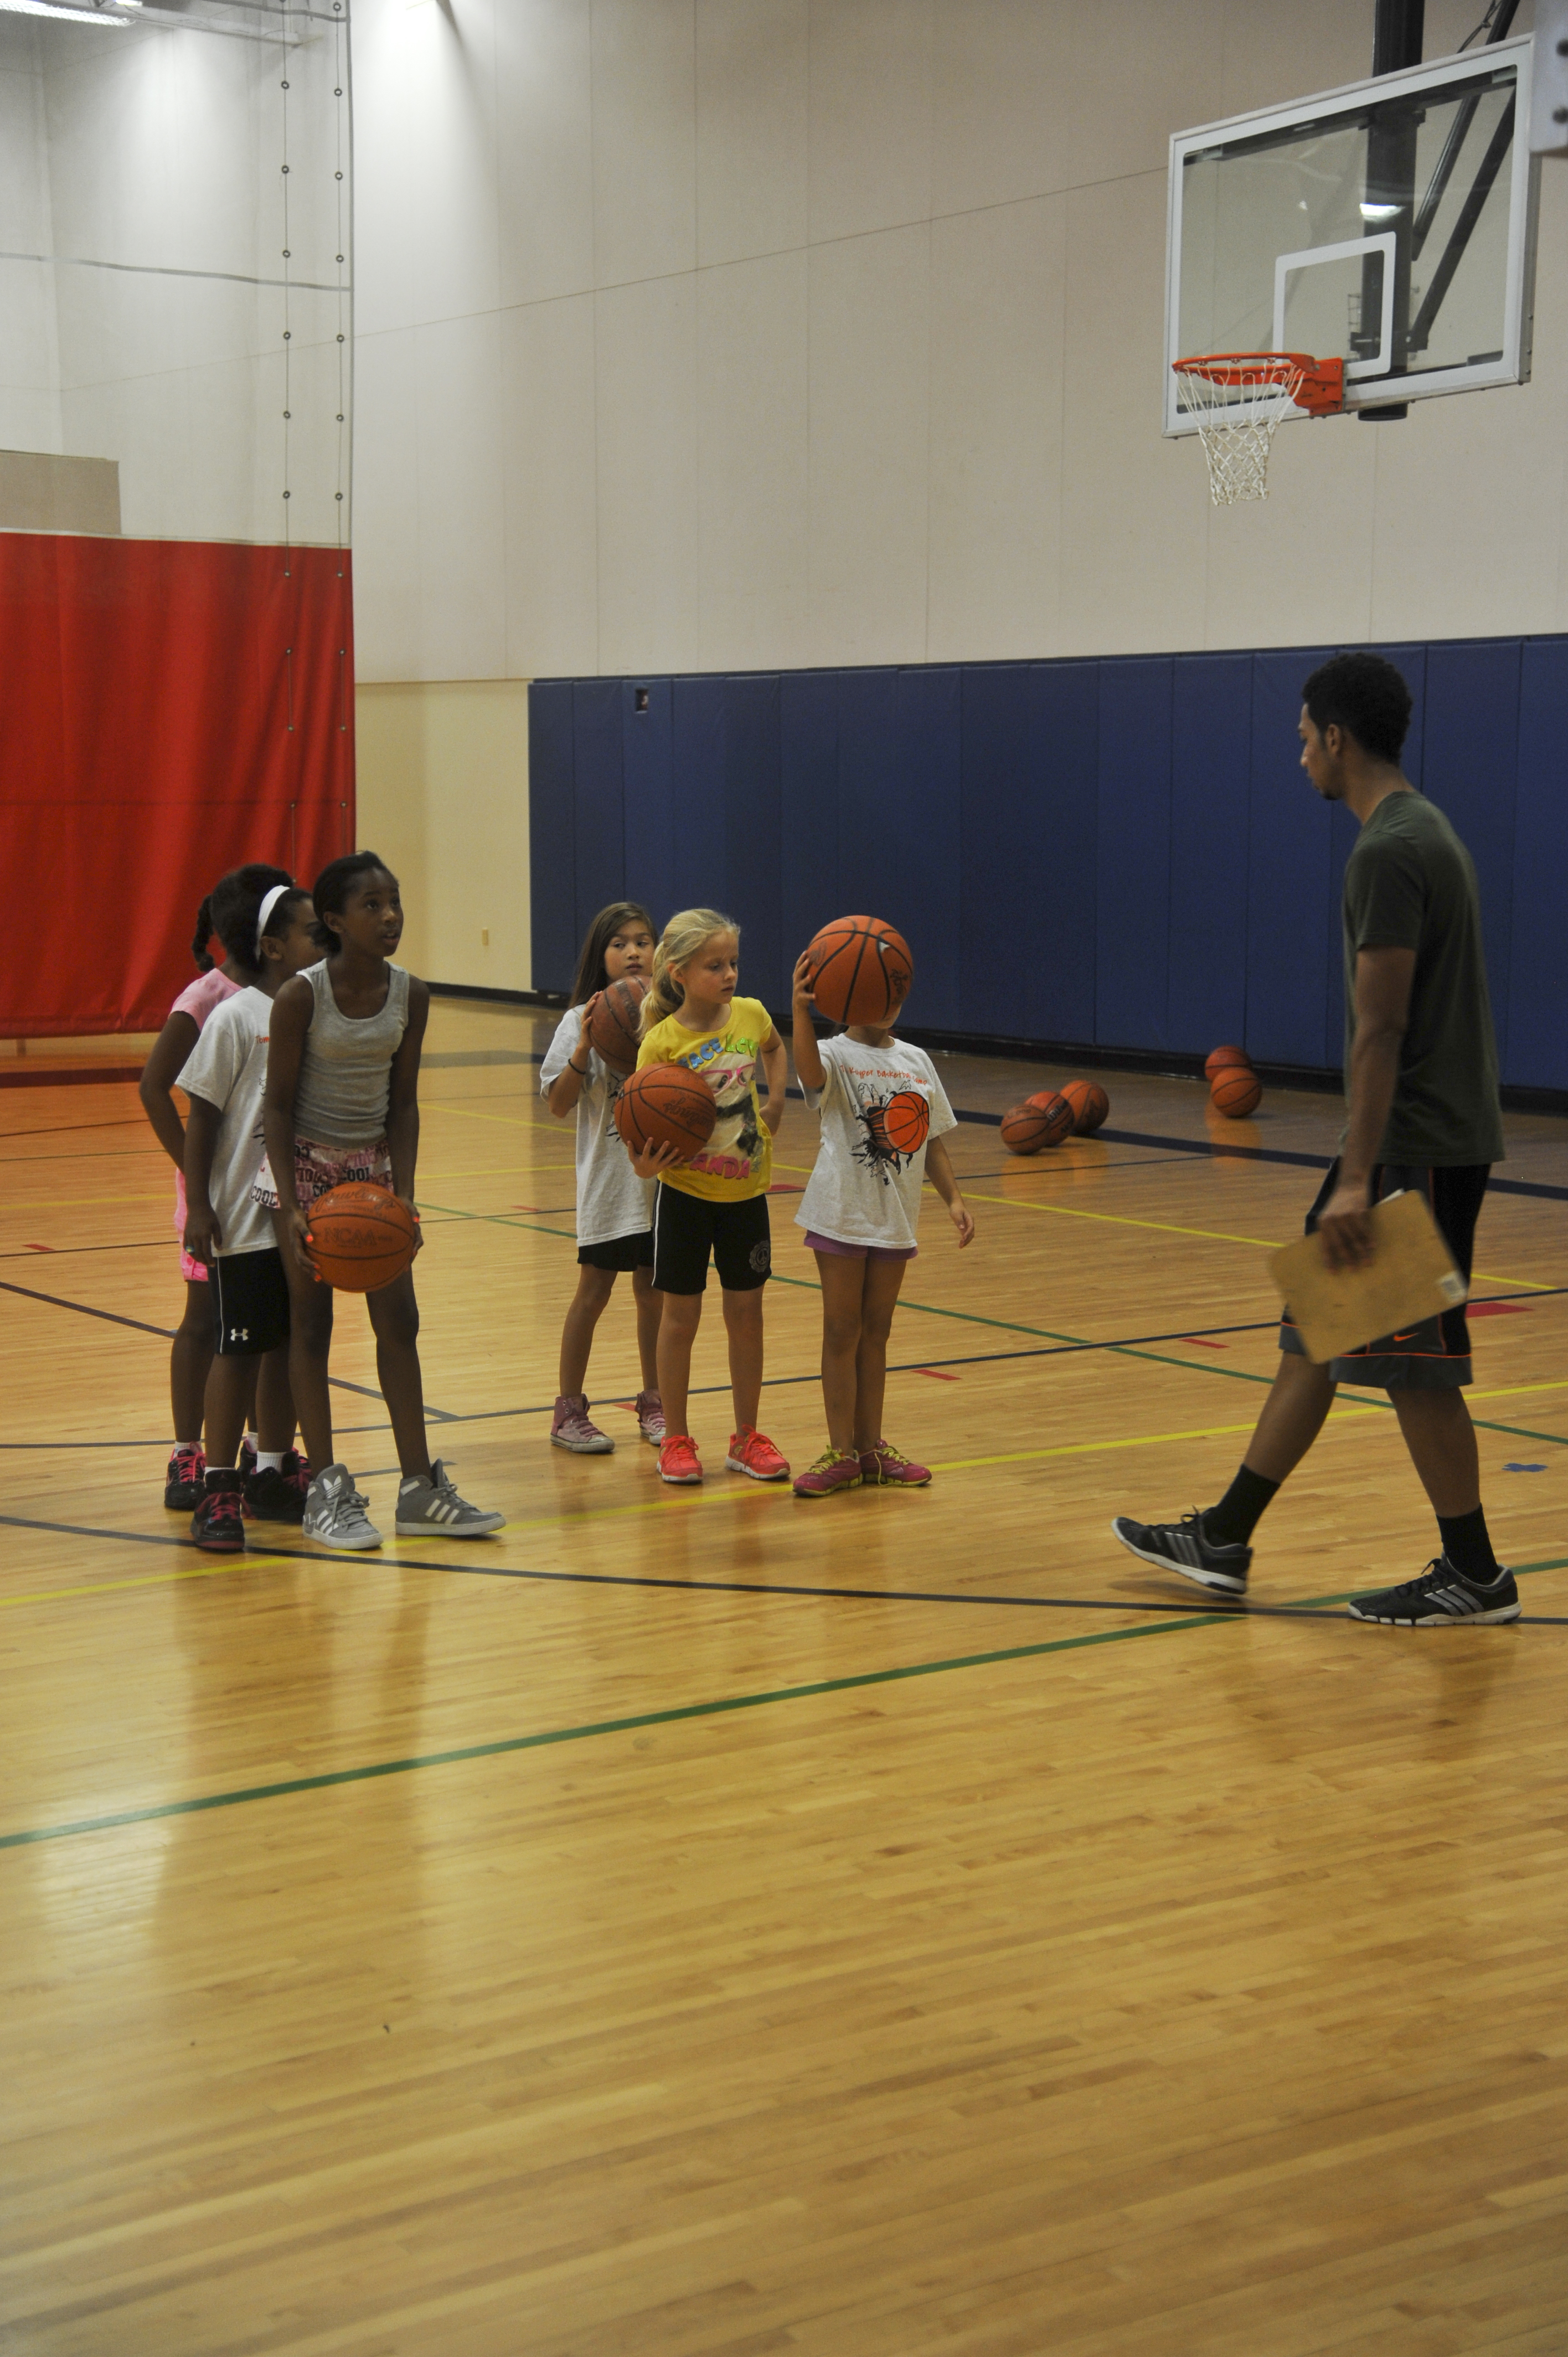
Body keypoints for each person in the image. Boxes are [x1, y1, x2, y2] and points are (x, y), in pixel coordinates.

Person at [1112, 650, 1515, 1626]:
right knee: (1313, 1336)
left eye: (1302, 739)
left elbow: (1380, 1027)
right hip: (1420, 1138)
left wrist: (1356, 1178)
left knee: (1414, 1371)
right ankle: (1224, 1536)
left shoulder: (1387, 848)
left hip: (1409, 1144)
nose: (1298, 757)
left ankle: (1474, 1574)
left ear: (1337, 737)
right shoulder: (1426, 831)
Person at [259, 852, 504, 1551]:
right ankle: (327, 1491)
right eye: (372, 905)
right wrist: (290, 1198)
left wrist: (406, 1193)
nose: (390, 915)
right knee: (311, 1326)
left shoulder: (412, 994)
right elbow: (275, 1107)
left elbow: (404, 1103)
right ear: (334, 920)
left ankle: (419, 1488)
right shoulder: (301, 995)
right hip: (304, 1163)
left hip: (371, 1168)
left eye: (394, 901)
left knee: (401, 1322)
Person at [788, 948, 974, 1496]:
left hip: (896, 1218)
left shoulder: (917, 1059)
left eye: (898, 991)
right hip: (841, 1213)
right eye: (880, 991)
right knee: (842, 1331)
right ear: (849, 993)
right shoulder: (831, 1053)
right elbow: (807, 1073)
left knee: (878, 1333)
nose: (893, 1001)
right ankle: (839, 1451)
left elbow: (933, 1139)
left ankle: (872, 1448)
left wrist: (955, 1200)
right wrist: (800, 1011)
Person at [140, 863, 292, 1511]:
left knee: (262, 1326)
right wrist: (194, 1178)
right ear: (265, 932)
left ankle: (262, 1449)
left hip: (266, 1191)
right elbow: (154, 1087)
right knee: (206, 1320)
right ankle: (187, 1449)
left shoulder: (290, 995)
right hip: (215, 1193)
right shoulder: (206, 998)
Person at [179, 884, 320, 1551]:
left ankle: (270, 1470)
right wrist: (201, 1204)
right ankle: (218, 1486)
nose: (322, 942)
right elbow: (202, 1114)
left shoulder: (315, 1007)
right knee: (238, 1348)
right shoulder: (236, 1016)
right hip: (239, 1214)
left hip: (299, 1214)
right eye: (310, 932)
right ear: (271, 946)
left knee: (291, 1343)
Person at [632, 909, 791, 1486]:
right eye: (715, 965)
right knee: (681, 1318)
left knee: (747, 1315)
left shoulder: (748, 1015)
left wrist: (775, 1100)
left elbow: (775, 1047)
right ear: (678, 972)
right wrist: (643, 1162)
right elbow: (638, 1133)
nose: (729, 974)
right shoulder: (662, 1043)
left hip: (746, 1192)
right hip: (684, 1196)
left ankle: (746, 1436)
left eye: (733, 963)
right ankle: (675, 1437)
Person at [540, 902, 663, 1453]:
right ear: (601, 955)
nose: (634, 950)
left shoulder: (676, 1017)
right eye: (620, 942)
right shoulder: (578, 1019)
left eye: (643, 939)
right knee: (593, 1293)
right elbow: (559, 1105)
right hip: (610, 1184)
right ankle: (568, 1408)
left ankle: (655, 1400)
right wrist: (586, 1049)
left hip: (667, 1181)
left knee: (655, 1294)